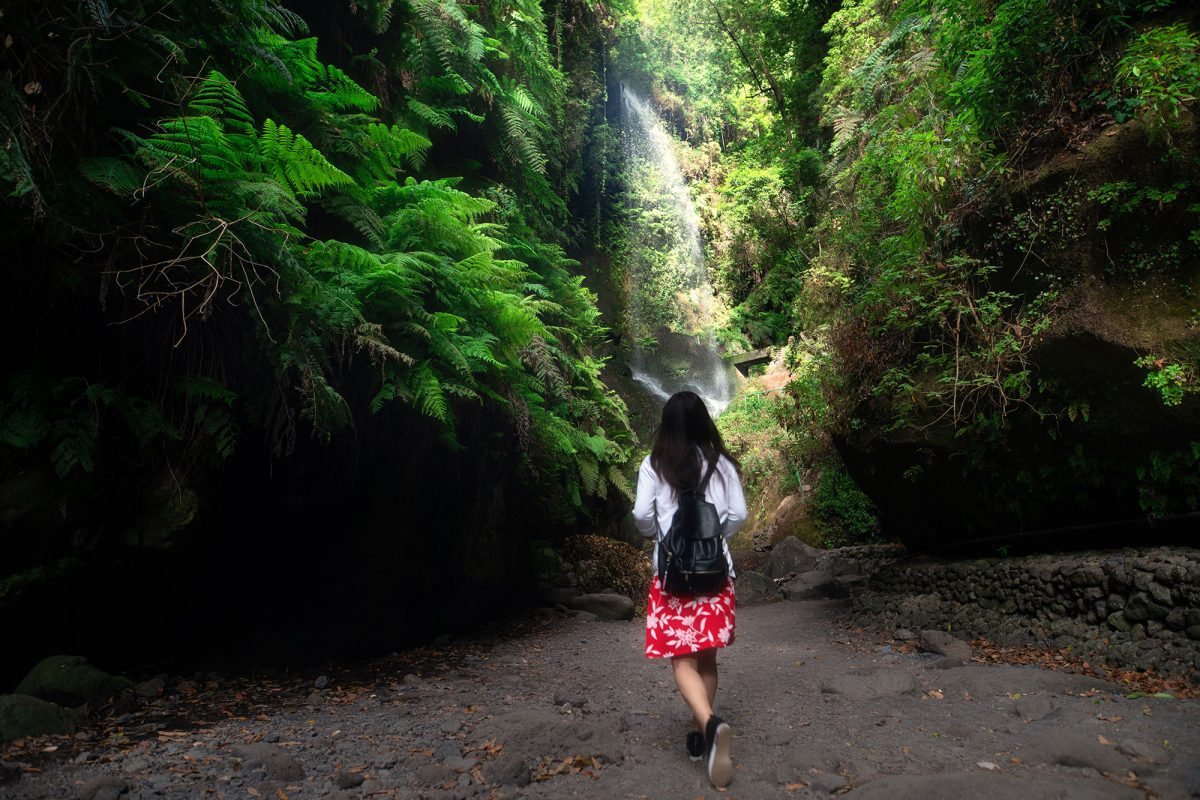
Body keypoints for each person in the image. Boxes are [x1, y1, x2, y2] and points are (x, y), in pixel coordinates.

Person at [632, 390, 747, 789]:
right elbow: (739, 514)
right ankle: (701, 734)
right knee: (707, 661)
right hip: (716, 573)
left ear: (666, 424)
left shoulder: (655, 464)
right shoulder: (723, 465)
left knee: (682, 661)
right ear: (704, 424)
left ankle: (710, 726)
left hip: (673, 578)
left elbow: (641, 515)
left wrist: (659, 537)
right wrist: (717, 539)